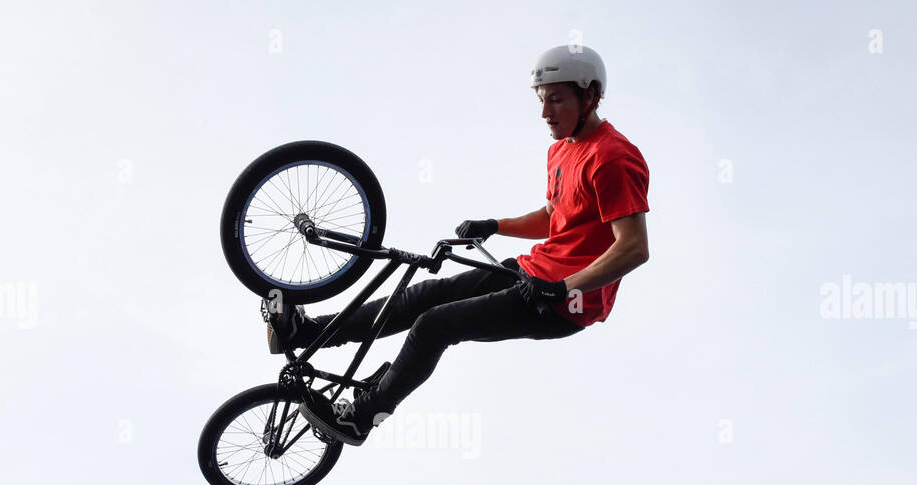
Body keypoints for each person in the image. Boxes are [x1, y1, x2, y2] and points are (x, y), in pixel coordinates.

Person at [276, 44, 650, 446]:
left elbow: (633, 248)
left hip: (563, 304)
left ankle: (362, 418)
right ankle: (304, 332)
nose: (545, 113)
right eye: (541, 101)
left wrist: (564, 287)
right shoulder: (561, 150)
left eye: (556, 100)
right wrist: (495, 225)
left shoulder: (613, 158)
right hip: (532, 271)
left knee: (434, 325)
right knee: (421, 295)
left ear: (590, 95)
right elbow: (555, 216)